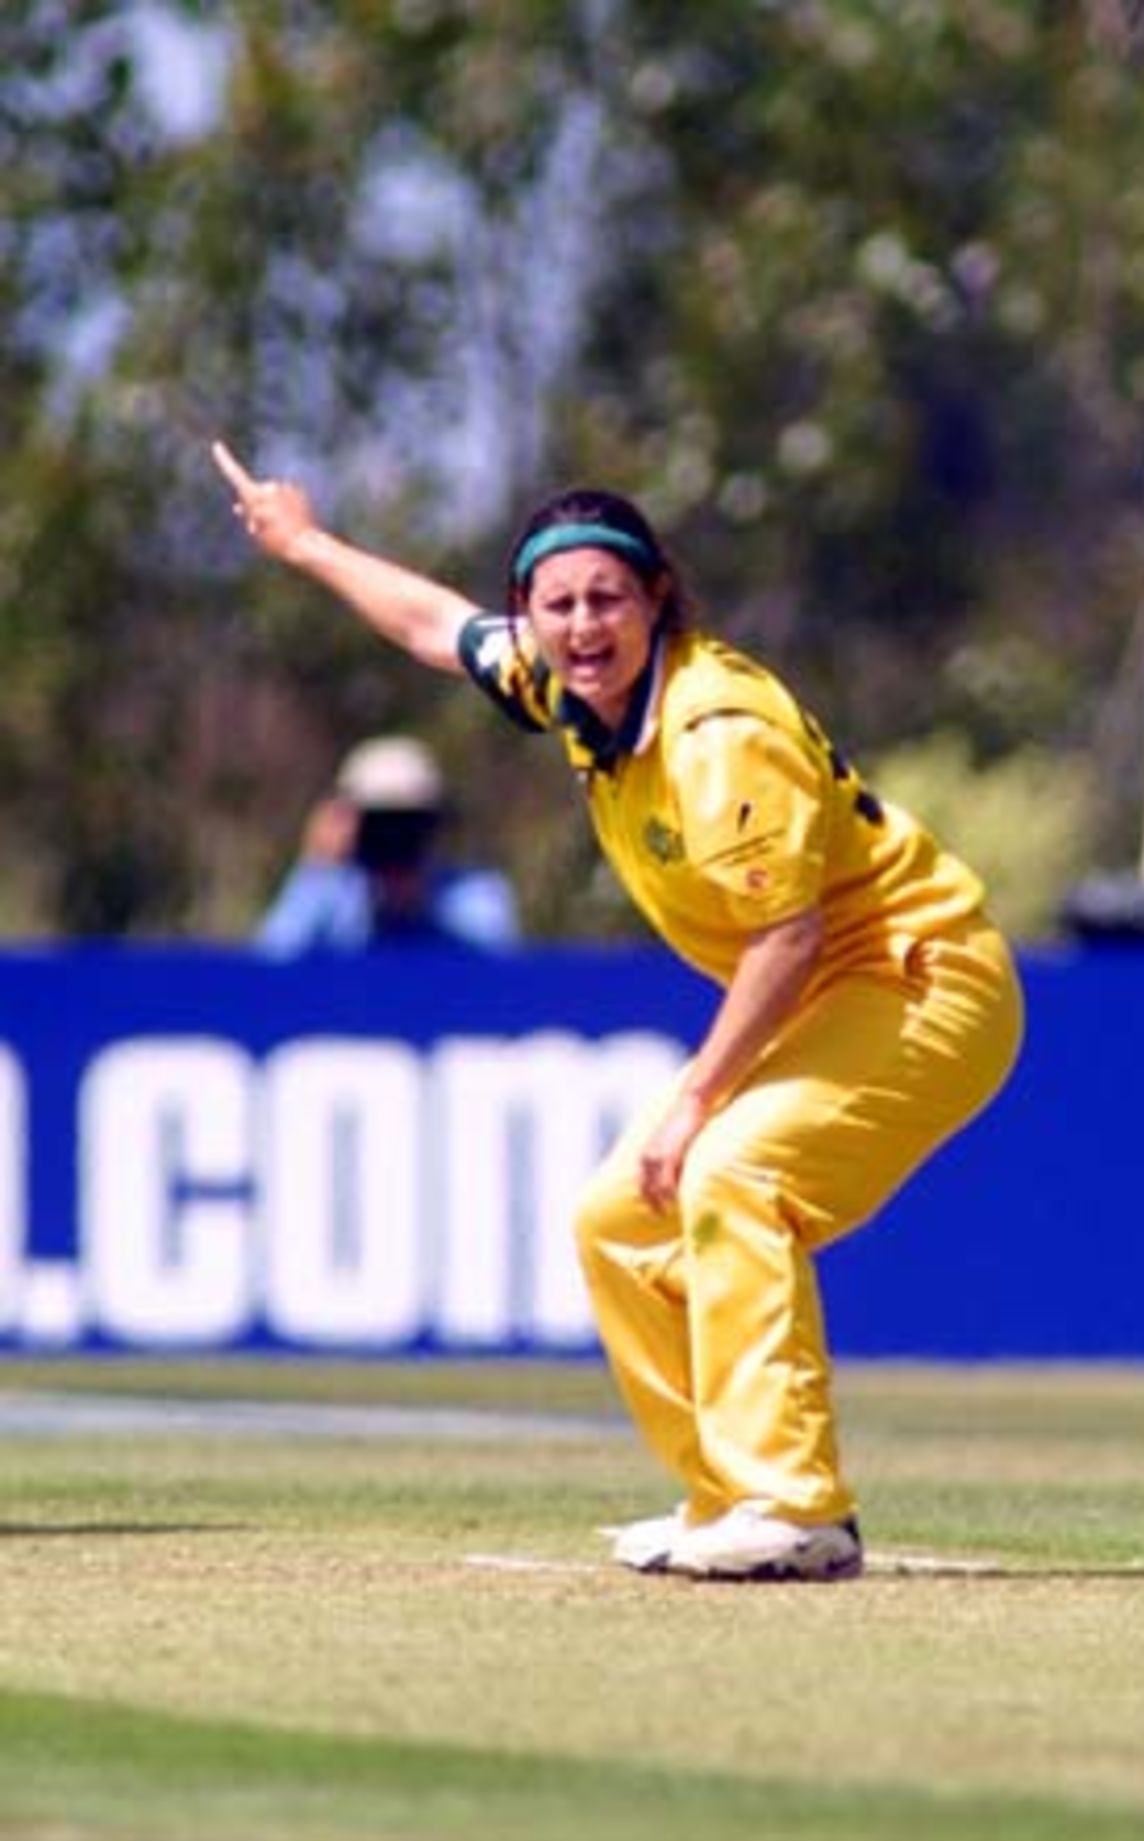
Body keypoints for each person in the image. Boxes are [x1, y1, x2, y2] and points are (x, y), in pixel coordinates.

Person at [213, 439, 1024, 1583]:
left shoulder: (715, 731)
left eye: (608, 599)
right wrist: (303, 544)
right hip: (840, 984)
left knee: (732, 1171)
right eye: (559, 605)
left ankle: (796, 1504)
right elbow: (428, 626)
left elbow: (787, 936)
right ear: (531, 616)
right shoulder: (559, 679)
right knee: (615, 1216)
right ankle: (729, 1496)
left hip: (927, 976)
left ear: (656, 600)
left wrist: (697, 1097)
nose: (583, 625)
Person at [255, 732, 521, 957]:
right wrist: (317, 867)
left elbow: (495, 976)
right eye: (378, 822)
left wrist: (417, 902)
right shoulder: (332, 898)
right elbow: (270, 974)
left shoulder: (475, 896)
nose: (394, 835)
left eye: (410, 823)